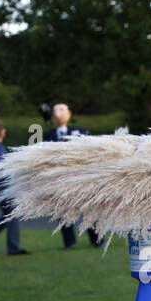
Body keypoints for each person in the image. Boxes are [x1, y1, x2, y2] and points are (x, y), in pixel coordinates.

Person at [43, 102, 100, 248]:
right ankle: (69, 242)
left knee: (88, 209)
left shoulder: (80, 131)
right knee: (62, 210)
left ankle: (97, 240)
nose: (58, 113)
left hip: (80, 178)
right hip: (60, 180)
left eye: (62, 110)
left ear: (69, 113)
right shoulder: (48, 135)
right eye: (56, 110)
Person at [0, 119, 28, 255]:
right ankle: (13, 248)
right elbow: (3, 167)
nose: (5, 130)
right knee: (12, 215)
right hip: (0, 184)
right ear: (0, 132)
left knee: (7, 216)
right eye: (3, 128)